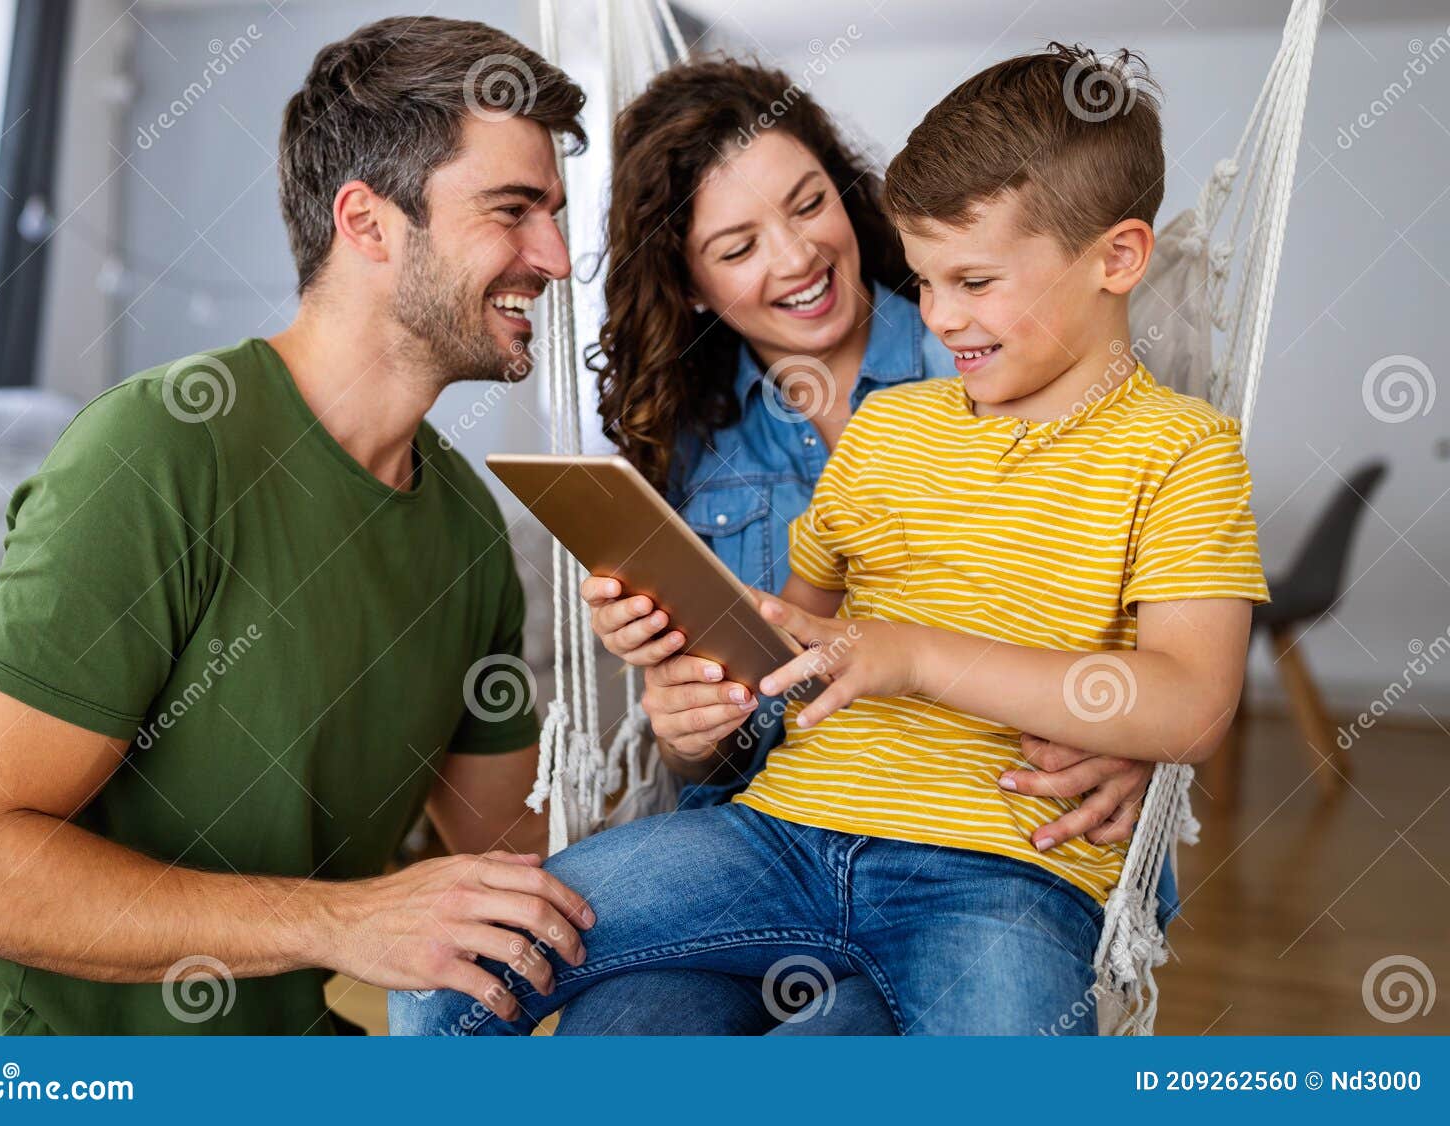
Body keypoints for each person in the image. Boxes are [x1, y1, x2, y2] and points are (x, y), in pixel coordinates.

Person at [390, 43, 1267, 1037]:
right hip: (780, 834)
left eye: (969, 281)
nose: (938, 314)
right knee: (450, 960)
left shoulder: (1181, 449)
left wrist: (949, 667)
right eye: (931, 282)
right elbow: (793, 643)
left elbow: (1189, 701)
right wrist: (701, 666)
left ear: (1117, 259)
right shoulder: (883, 430)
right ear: (690, 285)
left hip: (1000, 870)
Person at [0, 17, 598, 1035]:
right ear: (366, 222)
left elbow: (510, 858)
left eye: (555, 214)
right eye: (513, 210)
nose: (555, 257)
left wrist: (676, 726)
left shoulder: (466, 531)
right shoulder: (156, 453)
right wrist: (344, 920)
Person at [565, 58, 1165, 1035]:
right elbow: (735, 750)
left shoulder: (1012, 344)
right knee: (620, 1034)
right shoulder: (693, 445)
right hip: (765, 844)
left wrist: (1136, 741)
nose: (797, 254)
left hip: (984, 845)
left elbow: (1158, 636)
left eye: (809, 204)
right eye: (738, 244)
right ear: (692, 285)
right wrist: (688, 733)